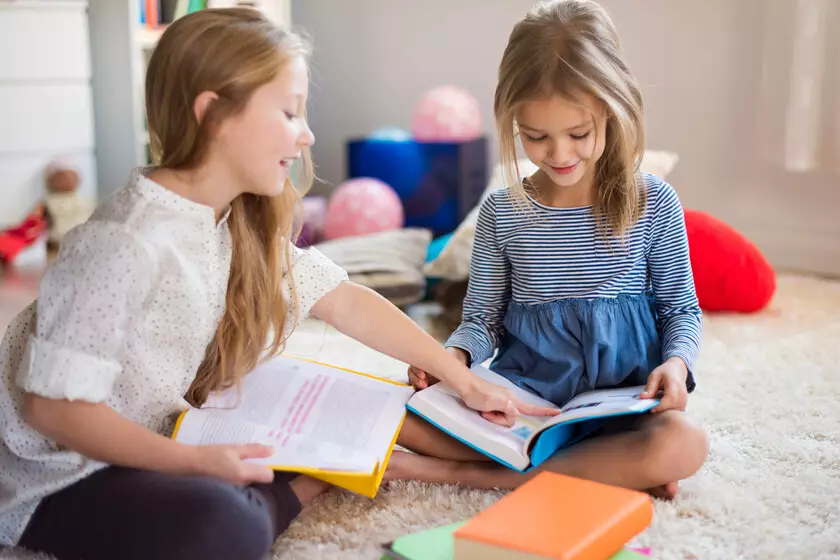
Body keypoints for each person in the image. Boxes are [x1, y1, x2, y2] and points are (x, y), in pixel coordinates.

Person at [0, 8, 556, 560]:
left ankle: (348, 467)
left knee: (358, 401)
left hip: (161, 433)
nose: (308, 133)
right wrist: (197, 464)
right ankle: (310, 482)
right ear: (212, 114)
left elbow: (346, 302)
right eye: (290, 113)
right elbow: (54, 410)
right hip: (57, 480)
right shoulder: (122, 242)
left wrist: (456, 373)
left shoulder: (225, 220)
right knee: (224, 527)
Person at [391, 0, 709, 500]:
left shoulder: (653, 201)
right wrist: (449, 359)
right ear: (513, 121)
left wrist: (677, 365)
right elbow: (481, 321)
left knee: (686, 443)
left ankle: (478, 476)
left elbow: (680, 310)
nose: (560, 154)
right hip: (524, 407)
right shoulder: (503, 212)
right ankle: (596, 471)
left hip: (620, 410)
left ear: (612, 108)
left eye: (578, 134)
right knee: (393, 410)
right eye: (536, 137)